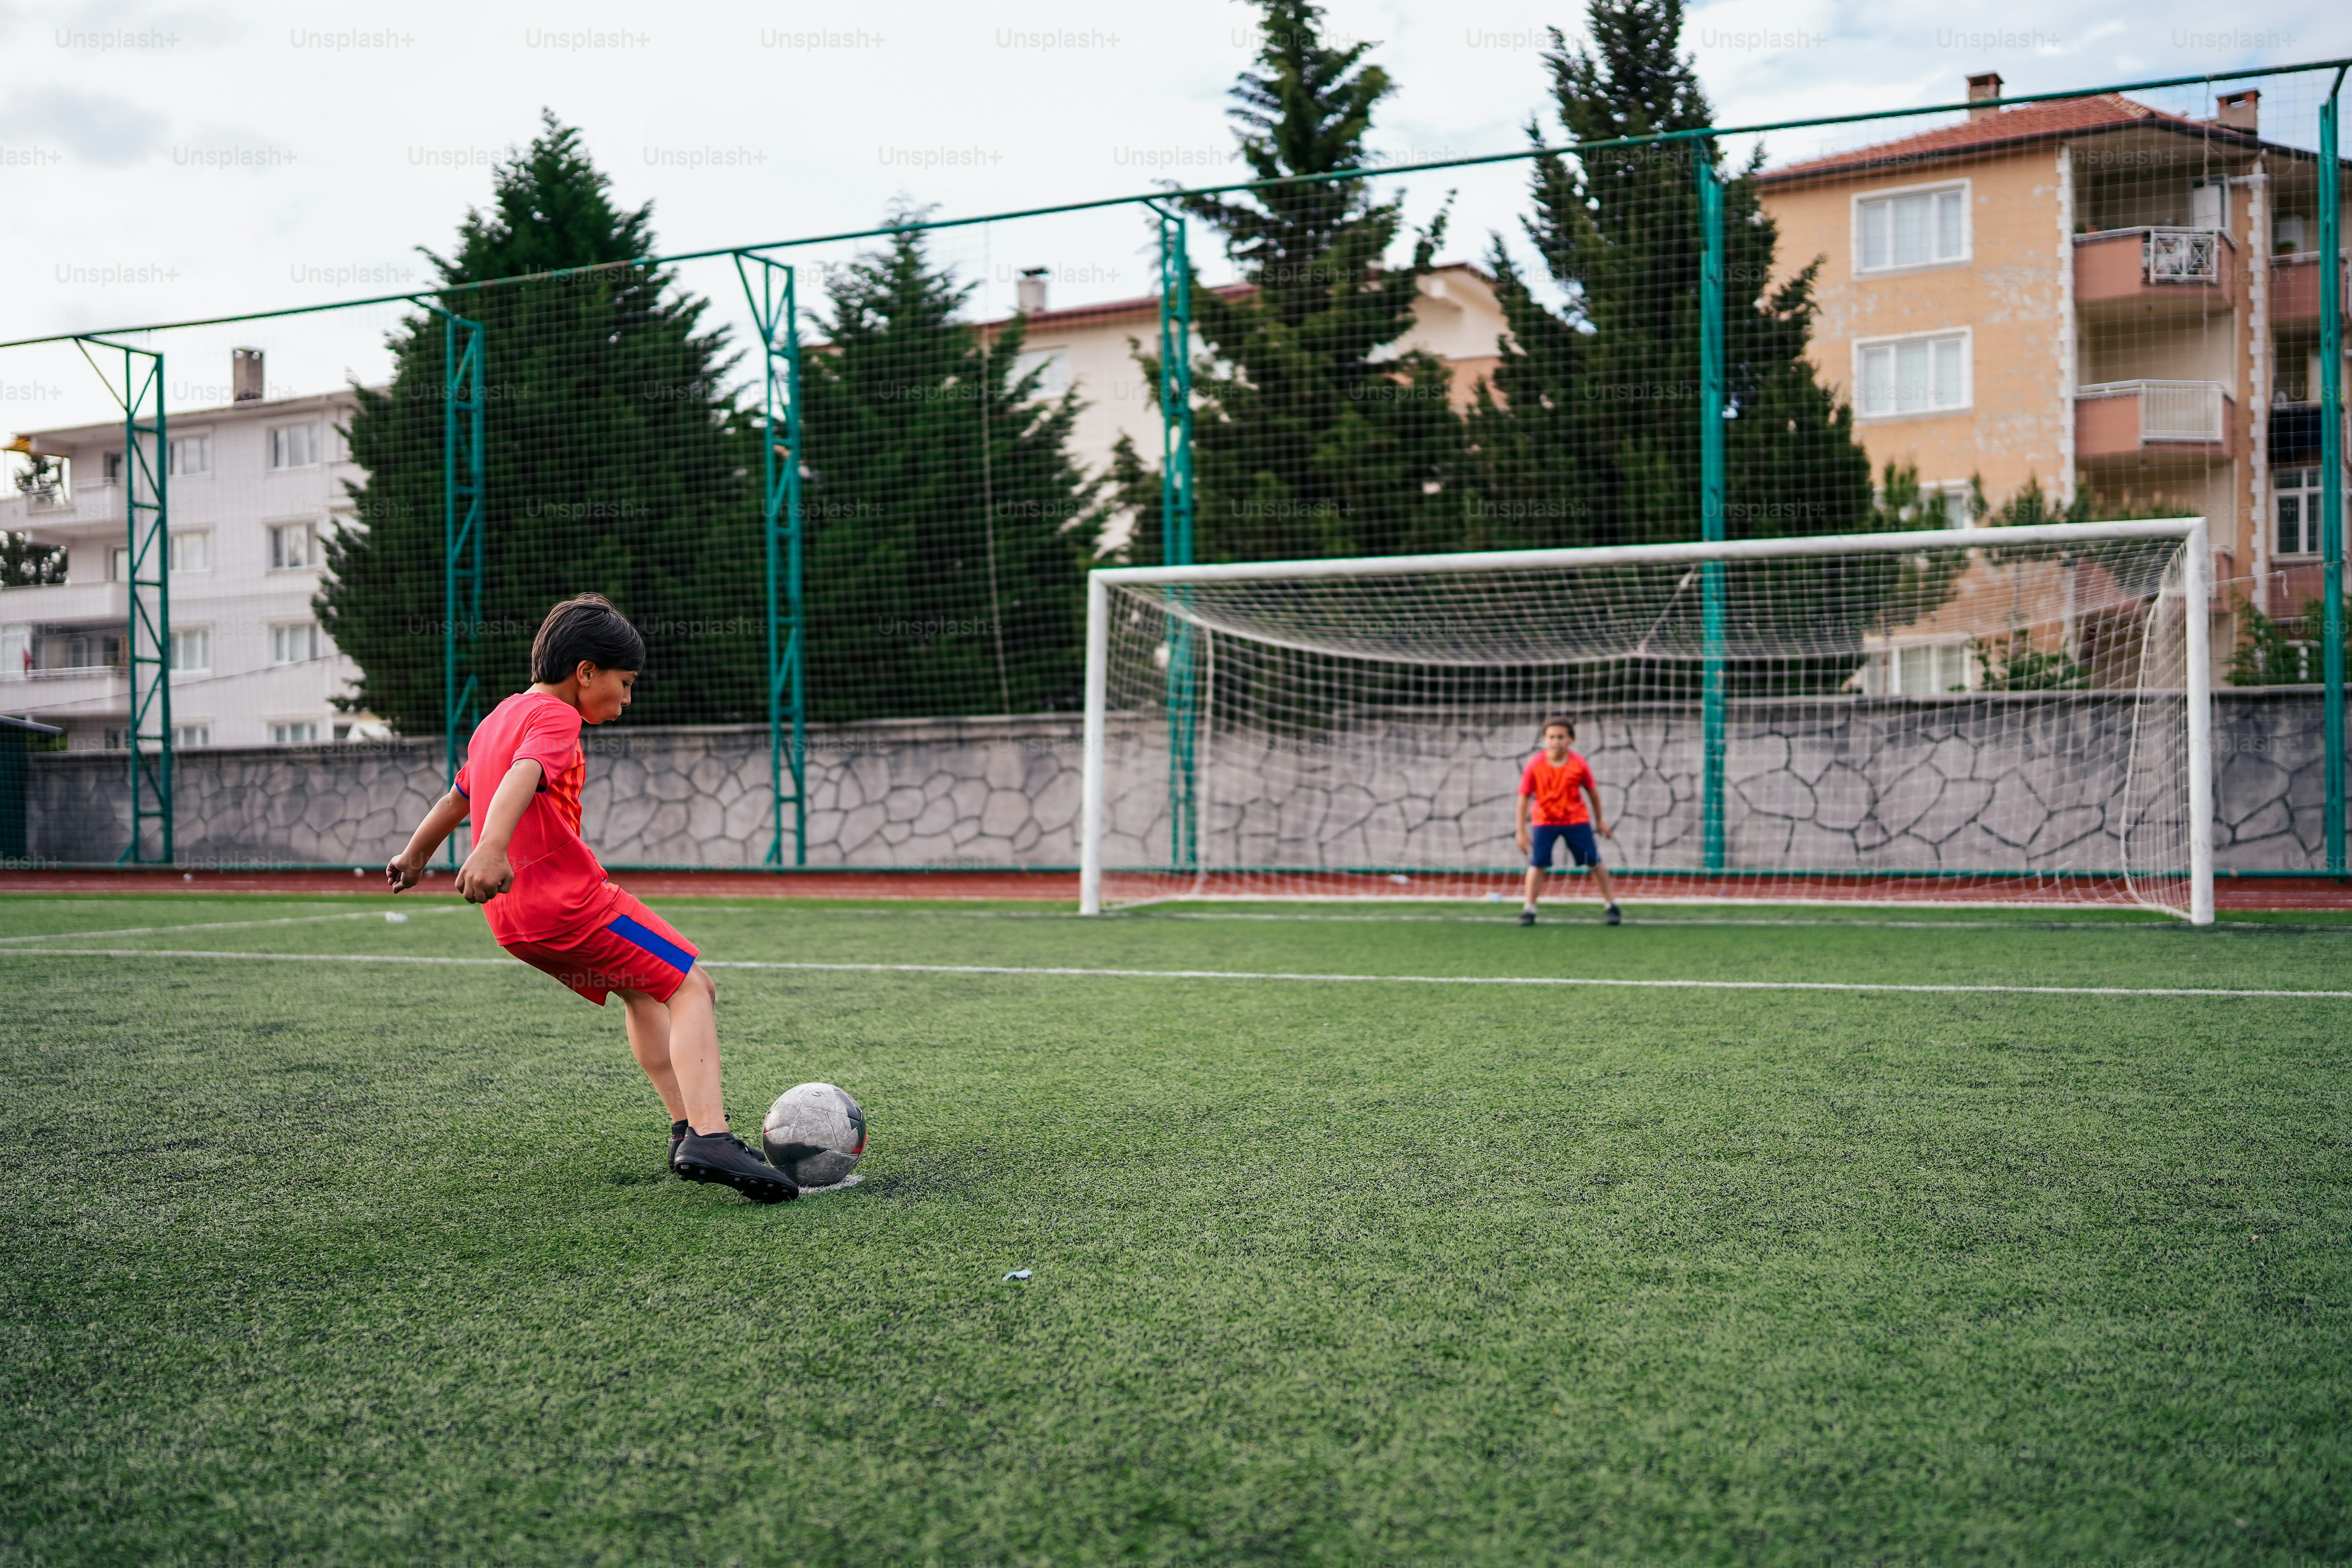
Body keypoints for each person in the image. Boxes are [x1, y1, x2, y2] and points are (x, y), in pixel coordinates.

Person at [385, 593, 794, 1202]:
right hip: (568, 900)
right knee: (692, 986)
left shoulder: (496, 716)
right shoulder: (556, 718)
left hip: (512, 919)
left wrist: (413, 858)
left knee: (641, 988)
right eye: (624, 684)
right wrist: (492, 849)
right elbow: (525, 773)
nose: (626, 700)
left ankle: (685, 1127)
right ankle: (711, 1135)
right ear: (586, 672)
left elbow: (455, 799)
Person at [1513, 718, 1621, 926]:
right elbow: (1524, 797)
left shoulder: (1579, 764)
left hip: (1576, 821)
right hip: (1545, 822)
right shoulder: (1535, 765)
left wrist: (1600, 821)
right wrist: (1520, 831)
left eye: (1561, 737)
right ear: (1545, 740)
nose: (1556, 741)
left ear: (1570, 740)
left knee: (1594, 861)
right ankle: (1529, 909)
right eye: (1551, 737)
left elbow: (1593, 793)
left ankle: (1612, 905)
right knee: (1538, 863)